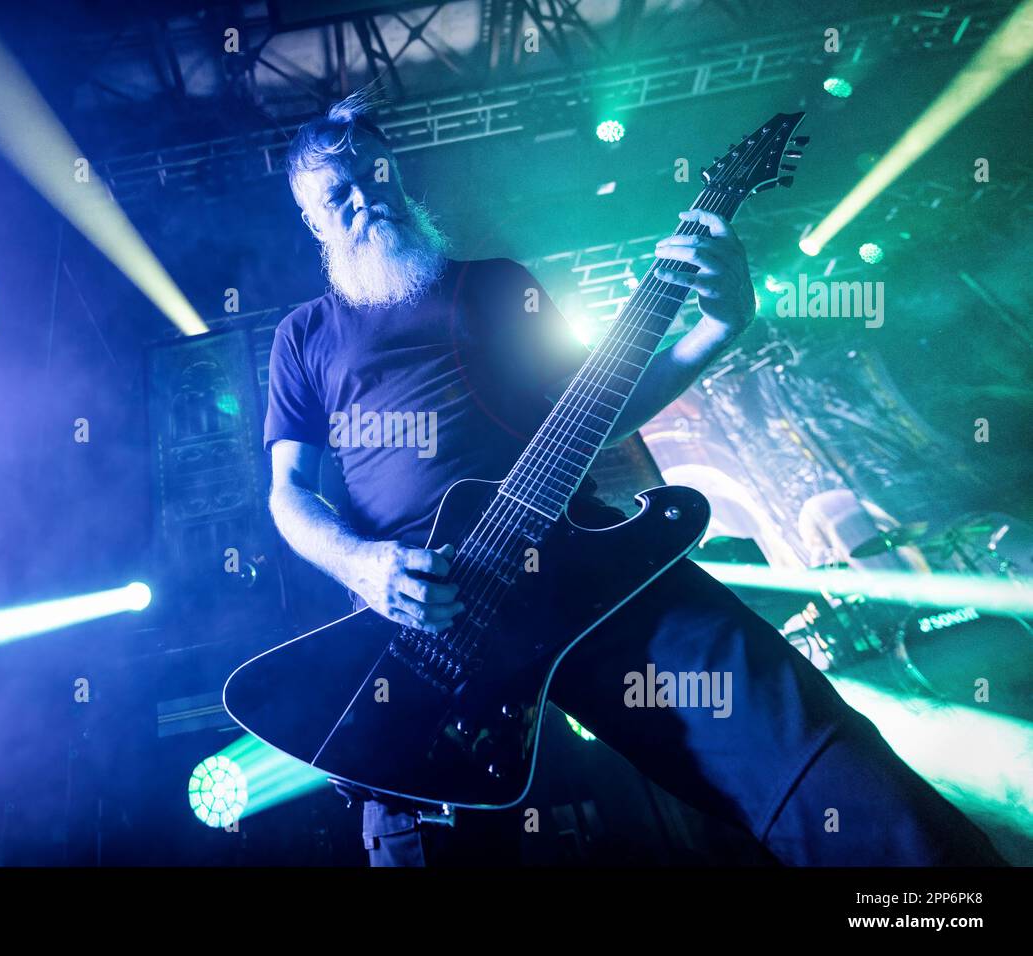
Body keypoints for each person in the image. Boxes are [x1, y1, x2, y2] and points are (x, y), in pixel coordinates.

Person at [262, 89, 1006, 866]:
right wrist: (362, 565)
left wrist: (718, 326)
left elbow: (600, 408)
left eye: (373, 176)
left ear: (396, 173)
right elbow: (287, 493)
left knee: (807, 750)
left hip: (581, 577)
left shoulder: (494, 285)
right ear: (313, 220)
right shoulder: (304, 337)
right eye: (336, 196)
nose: (363, 200)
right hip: (424, 623)